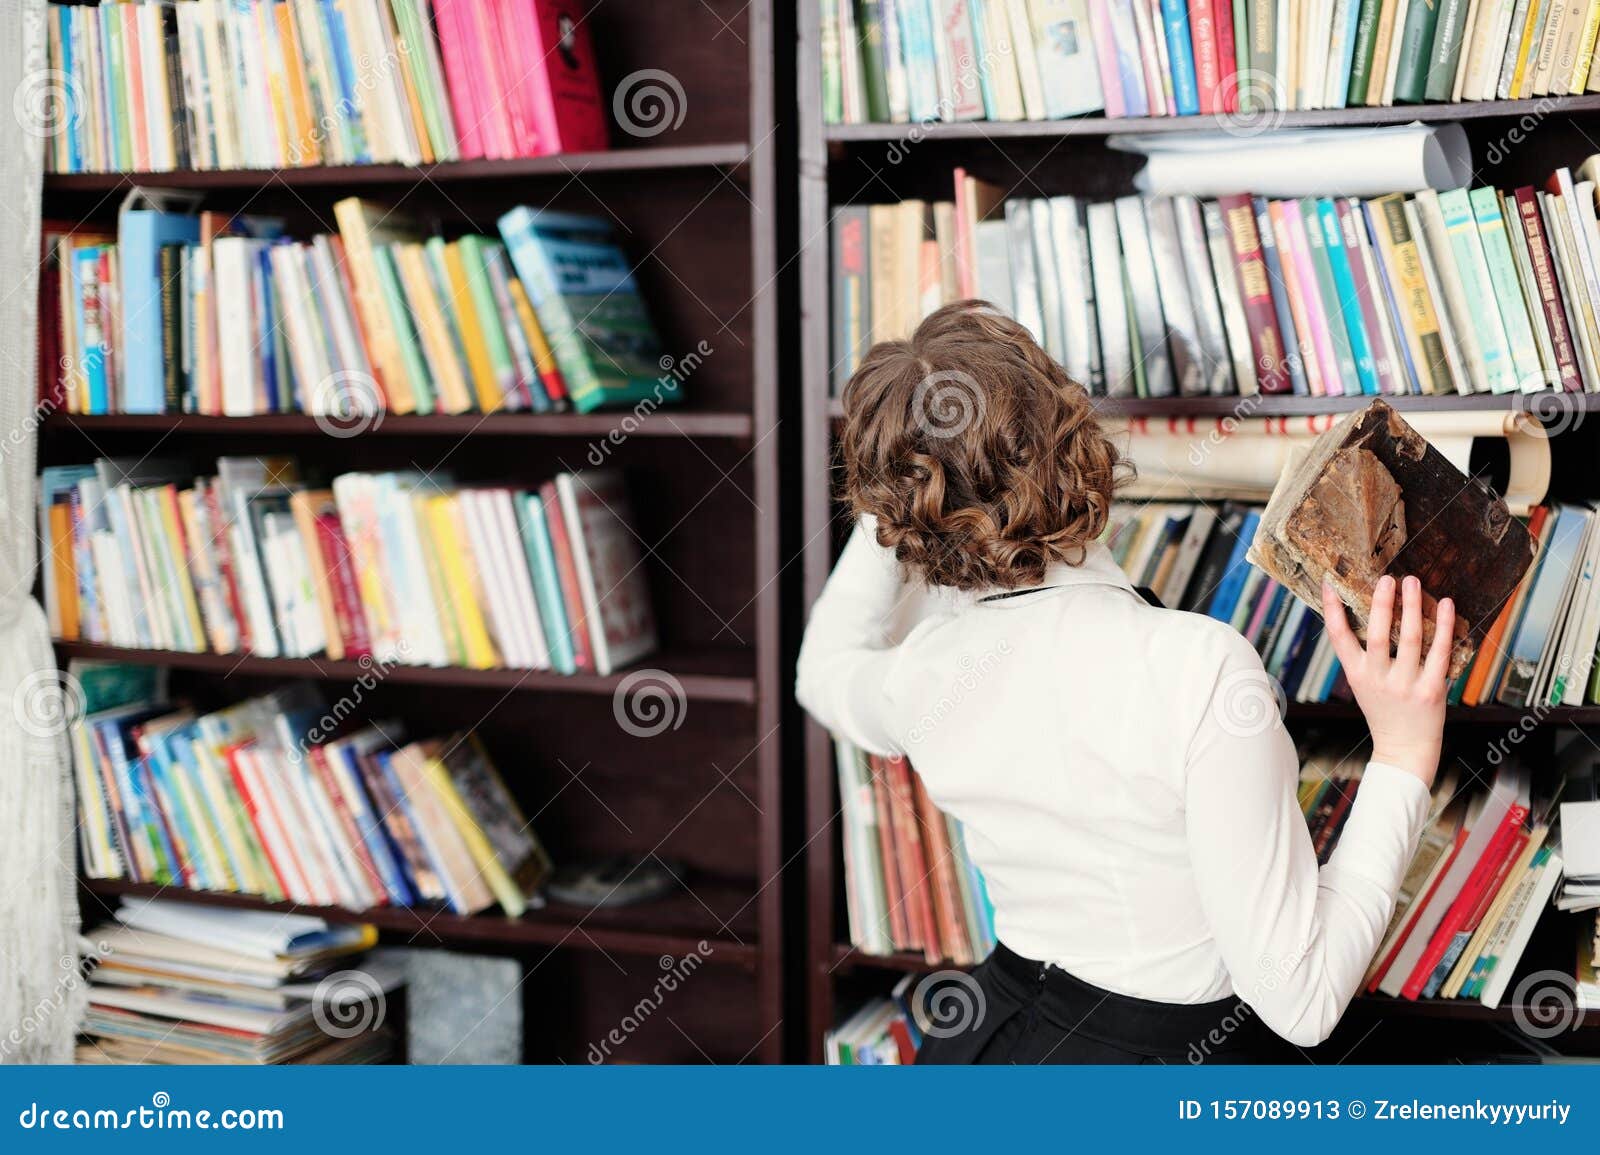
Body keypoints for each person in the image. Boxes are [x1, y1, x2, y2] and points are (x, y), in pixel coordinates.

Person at [796, 301, 1453, 1064]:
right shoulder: (1195, 668)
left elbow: (823, 668)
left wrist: (923, 489)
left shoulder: (922, 673)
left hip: (987, 1044)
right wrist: (1403, 751)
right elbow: (1301, 999)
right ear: (1080, 439)